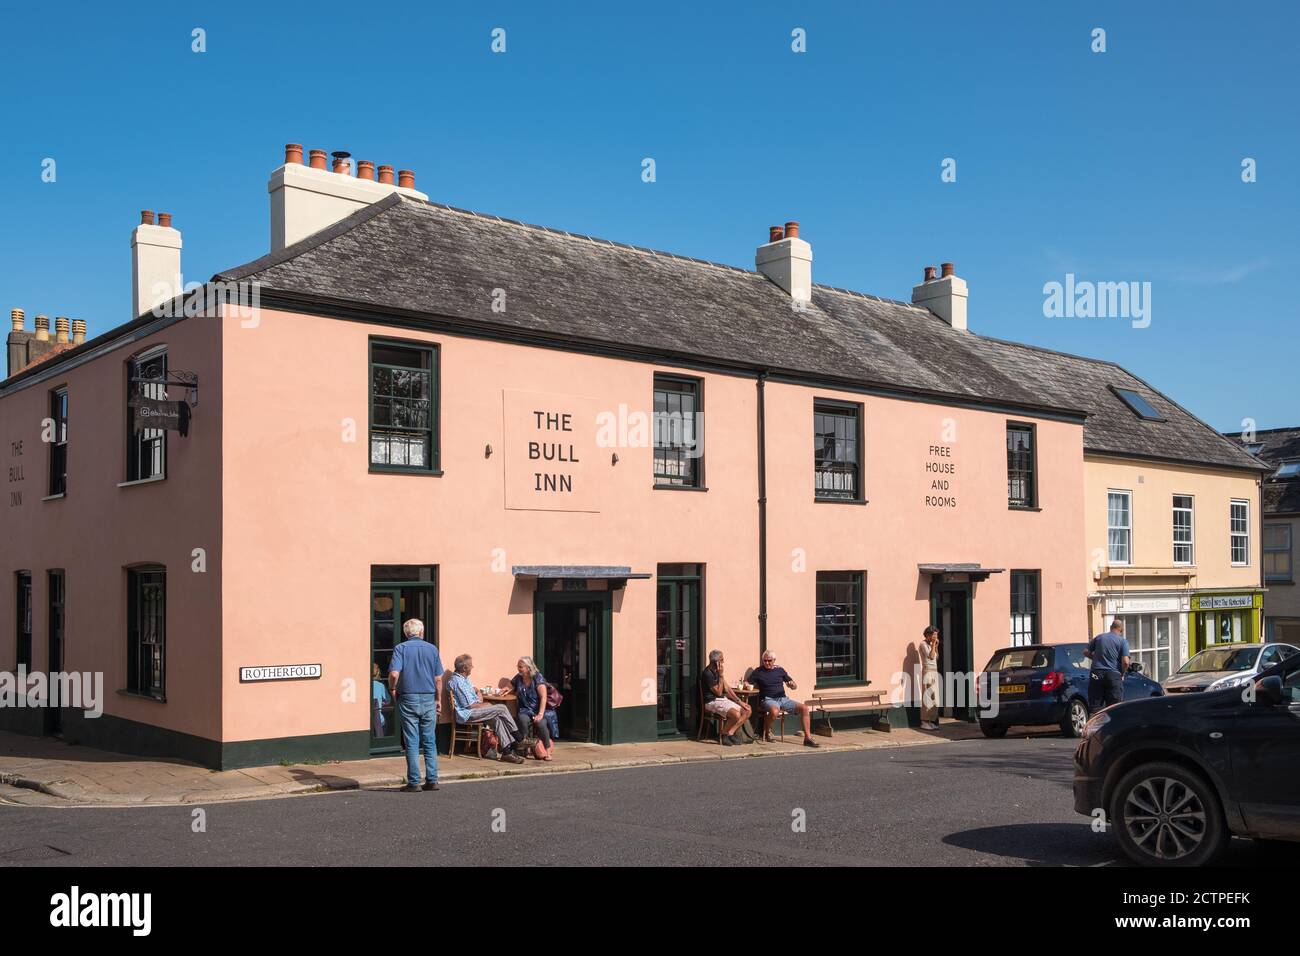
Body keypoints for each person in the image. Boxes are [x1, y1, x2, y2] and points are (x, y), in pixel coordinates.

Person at [386, 618, 443, 792]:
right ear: (421, 632)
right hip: (428, 698)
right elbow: (438, 678)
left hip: (408, 697)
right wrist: (438, 699)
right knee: (430, 740)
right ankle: (432, 780)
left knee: (412, 741)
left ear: (406, 633)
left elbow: (394, 674)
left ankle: (414, 782)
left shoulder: (400, 648)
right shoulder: (432, 649)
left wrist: (392, 688)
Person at [448, 654, 525, 763]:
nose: (472, 667)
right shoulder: (458, 681)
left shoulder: (465, 679)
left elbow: (478, 699)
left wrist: (479, 693)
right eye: (471, 665)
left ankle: (507, 752)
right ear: (464, 668)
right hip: (467, 714)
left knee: (497, 719)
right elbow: (470, 705)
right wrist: (488, 705)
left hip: (473, 710)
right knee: (502, 708)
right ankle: (519, 738)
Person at [748, 651, 819, 747]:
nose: (767, 663)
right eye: (764, 661)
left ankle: (807, 738)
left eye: (769, 661)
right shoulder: (758, 671)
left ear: (774, 660)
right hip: (768, 699)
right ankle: (768, 731)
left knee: (805, 708)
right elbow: (747, 682)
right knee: (775, 711)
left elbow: (793, 685)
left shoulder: (780, 670)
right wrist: (746, 684)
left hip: (783, 698)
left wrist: (792, 685)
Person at [700, 649, 752, 746]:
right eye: (722, 659)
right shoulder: (707, 673)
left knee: (747, 710)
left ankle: (729, 733)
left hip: (722, 700)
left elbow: (727, 689)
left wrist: (740, 702)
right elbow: (719, 692)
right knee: (736, 715)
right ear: (716, 661)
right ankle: (723, 735)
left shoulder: (717, 671)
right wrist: (721, 675)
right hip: (711, 702)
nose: (723, 662)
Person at [511, 656, 558, 760]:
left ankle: (547, 750)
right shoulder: (518, 677)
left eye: (520, 667)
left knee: (541, 724)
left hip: (538, 710)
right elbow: (511, 685)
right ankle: (526, 748)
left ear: (528, 667)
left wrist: (540, 714)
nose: (518, 669)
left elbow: (543, 697)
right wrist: (506, 688)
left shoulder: (538, 678)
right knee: (522, 720)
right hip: (525, 710)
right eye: (518, 666)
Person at [1085, 619, 1131, 711]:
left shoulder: (1099, 638)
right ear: (1121, 630)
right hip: (1113, 674)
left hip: (1096, 674)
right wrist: (1122, 674)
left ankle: (1096, 724)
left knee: (1095, 706)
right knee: (1114, 707)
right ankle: (1113, 724)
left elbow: (1086, 652)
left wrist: (1095, 658)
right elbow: (1125, 662)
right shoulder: (1122, 641)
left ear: (1110, 627)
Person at [919, 626, 941, 730]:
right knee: (927, 697)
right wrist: (933, 645)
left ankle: (932, 720)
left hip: (934, 671)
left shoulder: (932, 645)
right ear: (928, 635)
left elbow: (936, 657)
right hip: (928, 672)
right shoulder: (923, 644)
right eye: (934, 635)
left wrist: (936, 646)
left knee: (935, 697)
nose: (935, 637)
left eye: (936, 635)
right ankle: (924, 721)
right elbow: (931, 657)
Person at [371, 662, 391, 737]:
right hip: (379, 720)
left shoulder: (365, 685)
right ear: (378, 672)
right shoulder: (381, 686)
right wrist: (382, 703)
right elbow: (388, 701)